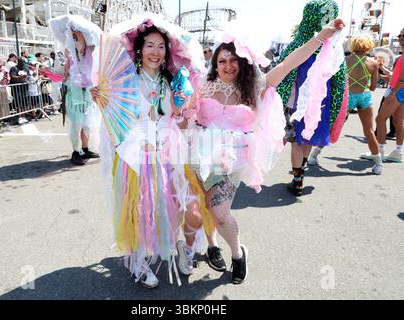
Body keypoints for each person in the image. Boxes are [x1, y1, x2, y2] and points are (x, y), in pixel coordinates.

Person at [188, 15, 345, 284]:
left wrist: (323, 35)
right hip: (197, 155)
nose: (227, 65)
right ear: (215, 62)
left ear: (243, 61)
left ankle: (238, 253)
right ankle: (212, 245)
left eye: (233, 60)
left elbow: (290, 61)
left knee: (221, 212)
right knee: (205, 205)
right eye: (222, 60)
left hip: (230, 160)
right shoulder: (203, 85)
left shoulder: (256, 86)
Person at [93, 14, 207, 288]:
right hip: (135, 155)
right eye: (150, 45)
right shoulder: (124, 81)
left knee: (188, 210)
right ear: (140, 49)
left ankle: (185, 249)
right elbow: (114, 118)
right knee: (138, 210)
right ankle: (138, 263)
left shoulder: (173, 82)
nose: (156, 52)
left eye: (161, 46)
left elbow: (178, 122)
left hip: (170, 153)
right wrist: (99, 97)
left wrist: (180, 111)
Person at [276, 0, 348, 196]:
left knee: (297, 142)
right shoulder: (334, 48)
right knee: (307, 138)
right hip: (321, 104)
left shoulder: (299, 44)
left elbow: (282, 74)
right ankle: (300, 173)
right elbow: (340, 82)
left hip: (296, 103)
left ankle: (297, 178)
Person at [50, 15, 101, 166]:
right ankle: (75, 151)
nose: (75, 39)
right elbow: (64, 72)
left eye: (77, 36)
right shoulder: (70, 54)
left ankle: (85, 149)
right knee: (77, 124)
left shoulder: (91, 52)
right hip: (75, 92)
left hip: (88, 92)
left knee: (87, 123)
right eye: (72, 37)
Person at [342, 36, 382, 174]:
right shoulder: (374, 63)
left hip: (349, 96)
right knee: (369, 131)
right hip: (365, 96)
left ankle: (314, 155)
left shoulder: (345, 60)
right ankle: (378, 165)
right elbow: (373, 87)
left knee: (334, 125)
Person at [376, 27, 404, 163]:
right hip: (400, 91)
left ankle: (378, 151)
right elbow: (396, 76)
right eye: (400, 35)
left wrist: (392, 93)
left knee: (380, 119)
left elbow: (402, 79)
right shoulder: (401, 56)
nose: (401, 37)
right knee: (398, 122)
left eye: (403, 35)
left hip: (398, 91)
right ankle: (398, 151)